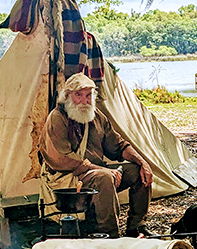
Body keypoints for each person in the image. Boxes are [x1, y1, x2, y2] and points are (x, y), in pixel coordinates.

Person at [40, 72, 154, 237]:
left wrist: (143, 162)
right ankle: (109, 235)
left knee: (139, 172)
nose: (84, 100)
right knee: (104, 177)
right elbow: (62, 158)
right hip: (67, 177)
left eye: (88, 95)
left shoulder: (96, 117)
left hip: (94, 172)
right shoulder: (57, 118)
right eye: (78, 95)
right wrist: (101, 170)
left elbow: (119, 146)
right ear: (67, 96)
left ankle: (136, 227)